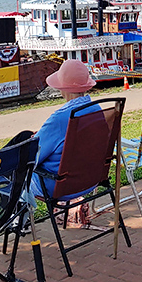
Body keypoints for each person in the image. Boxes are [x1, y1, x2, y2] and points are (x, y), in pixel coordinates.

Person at [29, 59, 98, 199]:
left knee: (12, 177)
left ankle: (15, 220)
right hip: (90, 180)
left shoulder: (59, 119)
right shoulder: (96, 109)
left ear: (62, 88)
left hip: (59, 186)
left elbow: (33, 156)